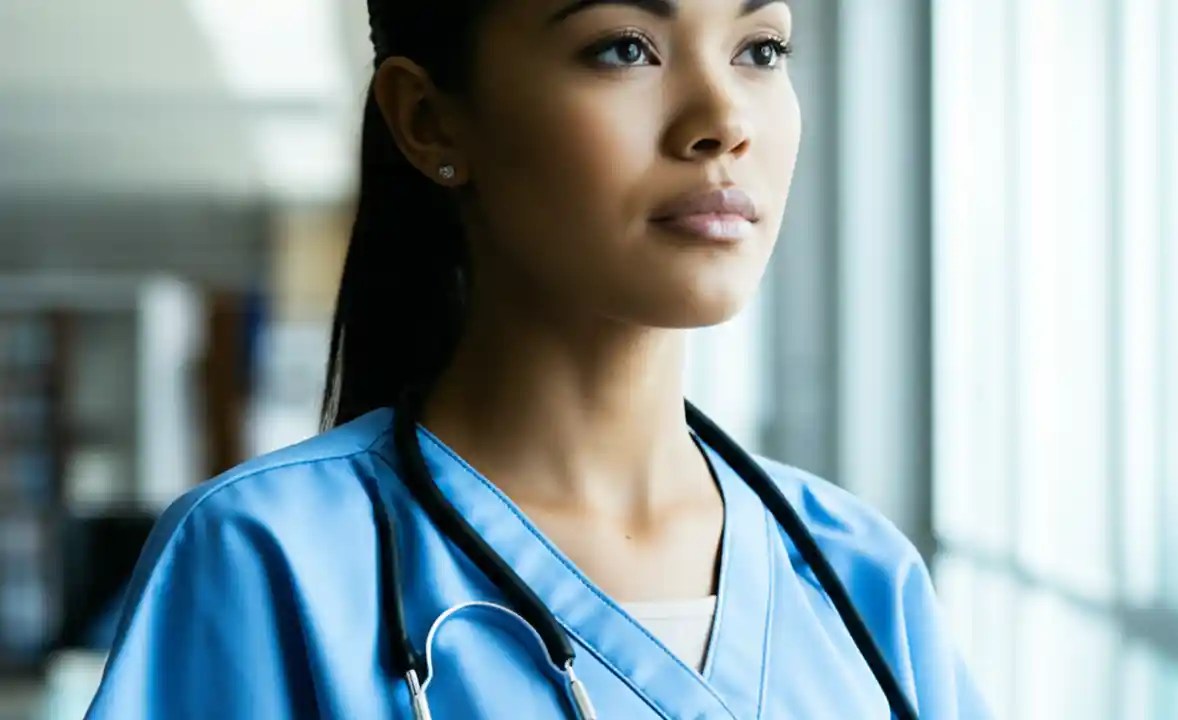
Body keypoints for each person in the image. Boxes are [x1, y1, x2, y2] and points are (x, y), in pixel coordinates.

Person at [86, 0, 990, 717]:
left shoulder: (857, 572)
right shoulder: (270, 555)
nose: (723, 121)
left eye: (760, 49)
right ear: (431, 121)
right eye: (626, 48)